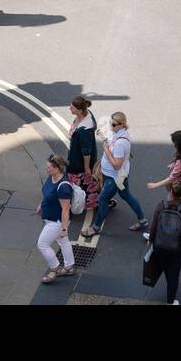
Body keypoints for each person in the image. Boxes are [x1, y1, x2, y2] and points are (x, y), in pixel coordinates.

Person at [82, 111, 147, 238]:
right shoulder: (120, 134)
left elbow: (116, 164)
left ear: (122, 124)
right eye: (110, 123)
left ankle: (96, 227)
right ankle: (142, 220)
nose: (111, 126)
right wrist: (105, 138)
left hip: (114, 177)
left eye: (114, 124)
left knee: (102, 199)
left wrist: (106, 151)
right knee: (126, 195)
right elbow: (113, 144)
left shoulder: (120, 143)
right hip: (119, 175)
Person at [36, 155, 77, 284]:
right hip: (50, 218)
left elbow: (65, 209)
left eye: (48, 167)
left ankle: (54, 269)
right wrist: (41, 205)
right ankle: (69, 267)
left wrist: (64, 228)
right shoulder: (52, 177)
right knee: (63, 241)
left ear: (57, 168)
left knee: (42, 244)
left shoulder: (63, 187)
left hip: (56, 222)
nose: (46, 169)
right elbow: (47, 193)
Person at [66, 96, 100, 214]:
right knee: (86, 182)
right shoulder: (84, 114)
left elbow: (86, 151)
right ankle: (93, 201)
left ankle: (90, 202)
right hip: (75, 157)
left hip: (79, 162)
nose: (69, 108)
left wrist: (86, 168)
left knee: (79, 181)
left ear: (80, 110)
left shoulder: (85, 130)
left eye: (73, 107)